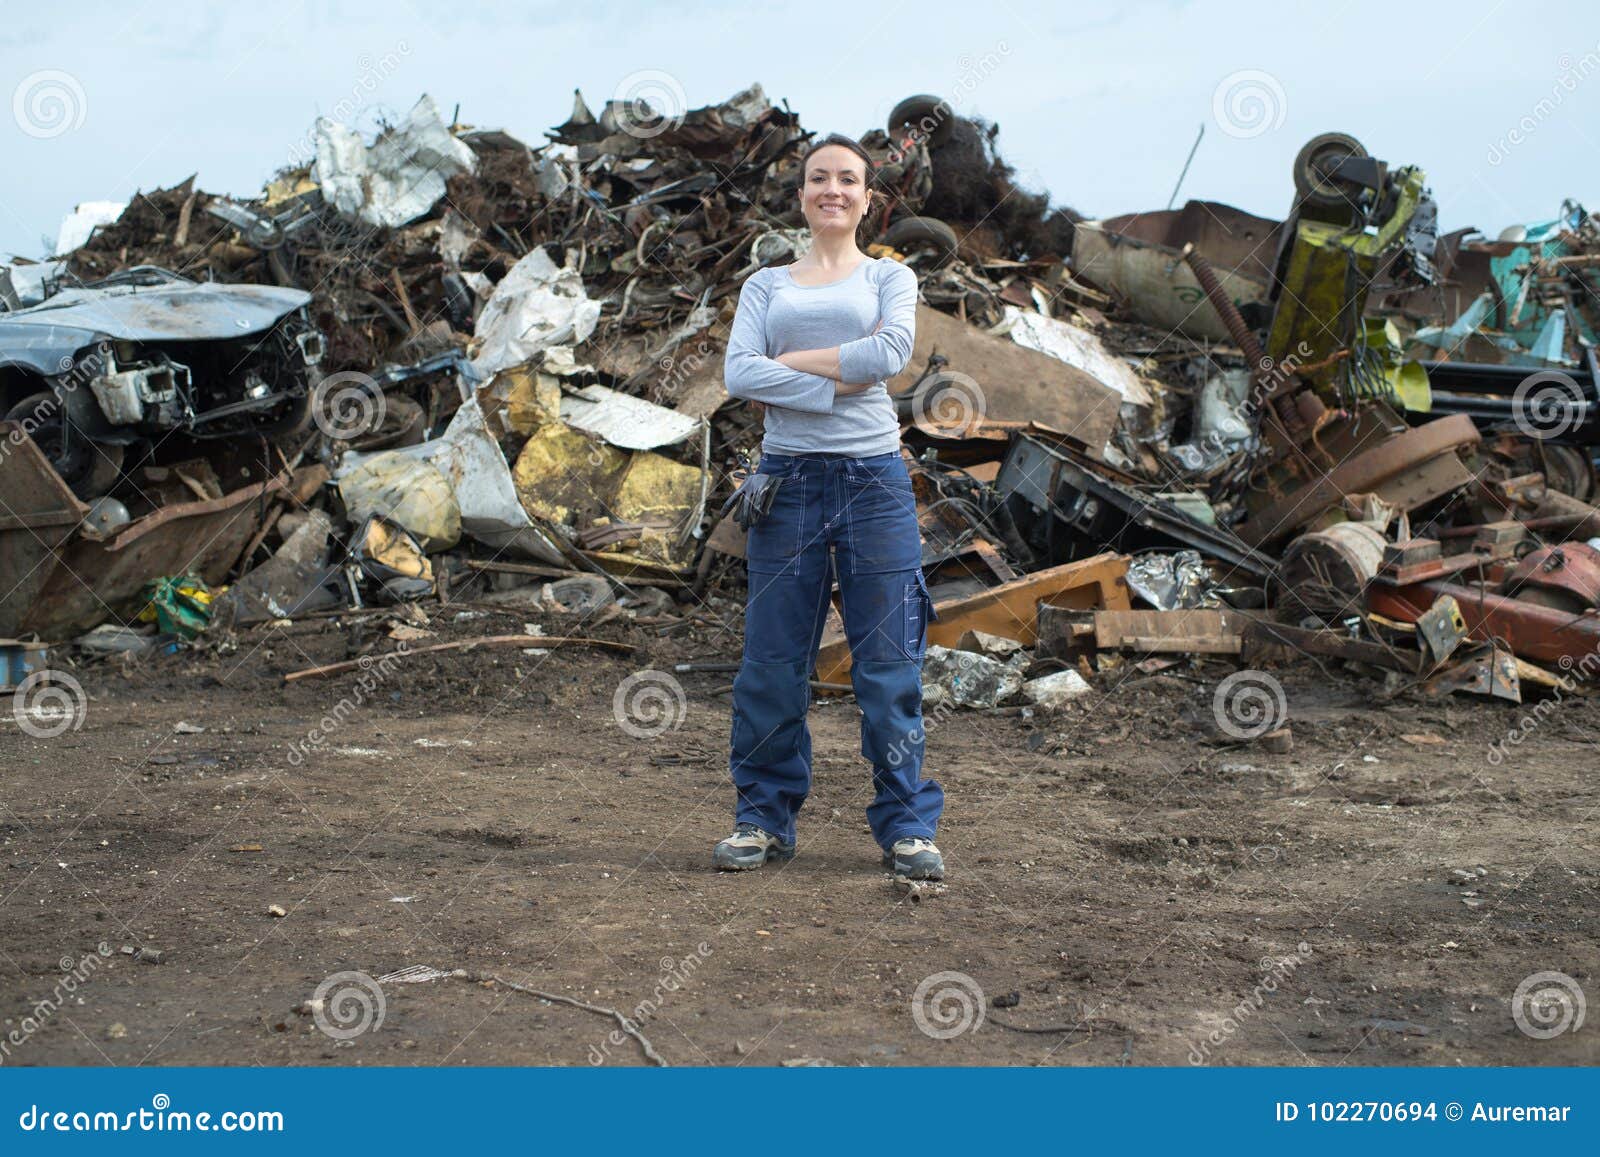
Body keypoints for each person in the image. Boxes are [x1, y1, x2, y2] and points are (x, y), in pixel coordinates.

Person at [714, 132, 945, 880]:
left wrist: (788, 365)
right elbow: (735, 370)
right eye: (820, 178)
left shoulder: (888, 278)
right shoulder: (766, 286)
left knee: (888, 667)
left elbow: (889, 356)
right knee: (772, 665)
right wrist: (830, 379)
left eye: (848, 179)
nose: (833, 190)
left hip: (874, 483)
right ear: (803, 195)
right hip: (786, 485)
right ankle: (762, 819)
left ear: (868, 198)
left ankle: (908, 826)